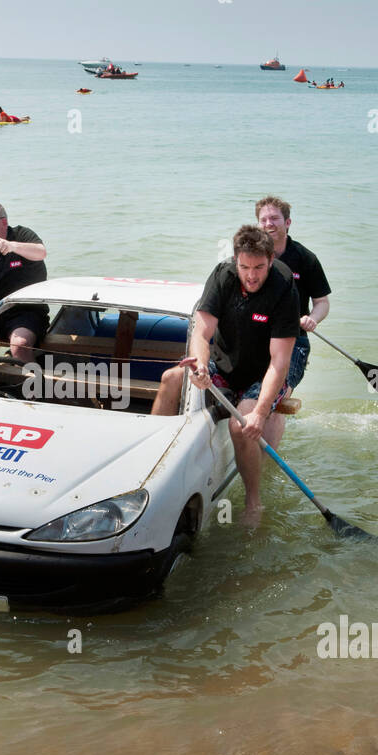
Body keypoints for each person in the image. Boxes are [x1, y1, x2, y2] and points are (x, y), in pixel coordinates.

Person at [151, 226, 300, 526]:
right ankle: (150, 465)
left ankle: (253, 501)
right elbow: (202, 331)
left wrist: (259, 412)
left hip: (266, 371)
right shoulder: (222, 275)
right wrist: (201, 366)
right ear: (235, 260)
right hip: (225, 362)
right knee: (171, 378)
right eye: (244, 267)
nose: (252, 275)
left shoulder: (284, 288)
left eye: (259, 267)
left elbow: (279, 361)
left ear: (271, 260)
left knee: (241, 423)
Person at [254, 195, 331, 393]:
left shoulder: (306, 259)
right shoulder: (251, 257)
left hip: (295, 338)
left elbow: (322, 302)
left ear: (287, 223)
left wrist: (312, 319)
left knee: (277, 390)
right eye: (263, 220)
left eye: (274, 218)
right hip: (258, 335)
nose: (268, 224)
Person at [0, 202, 48, 362]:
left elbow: (41, 252)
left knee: (19, 345)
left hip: (27, 311)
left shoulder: (21, 235)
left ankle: (36, 384)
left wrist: (12, 246)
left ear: (4, 222)